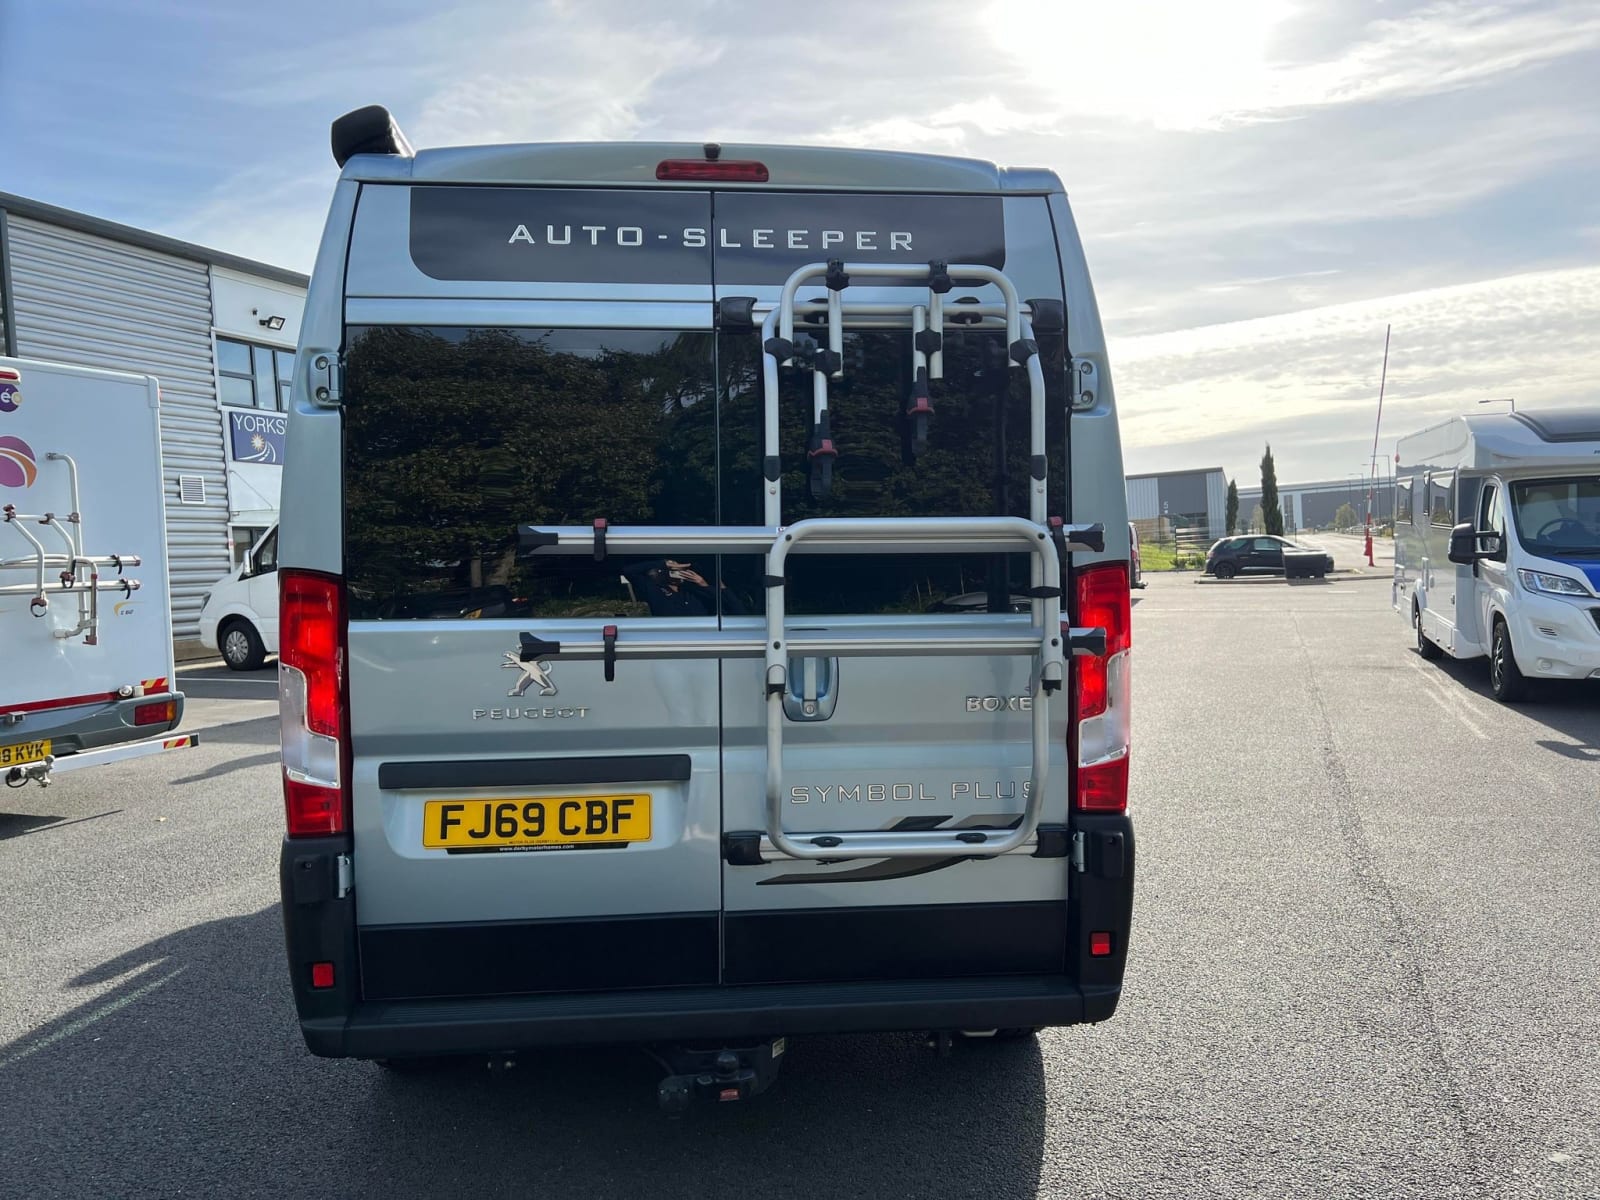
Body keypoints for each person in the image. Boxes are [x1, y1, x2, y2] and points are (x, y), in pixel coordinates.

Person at [622, 559, 747, 617]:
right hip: (670, 643)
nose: (681, 572)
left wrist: (703, 585)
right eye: (676, 569)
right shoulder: (656, 590)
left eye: (684, 570)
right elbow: (629, 571)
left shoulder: (696, 592)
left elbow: (735, 608)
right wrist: (664, 564)